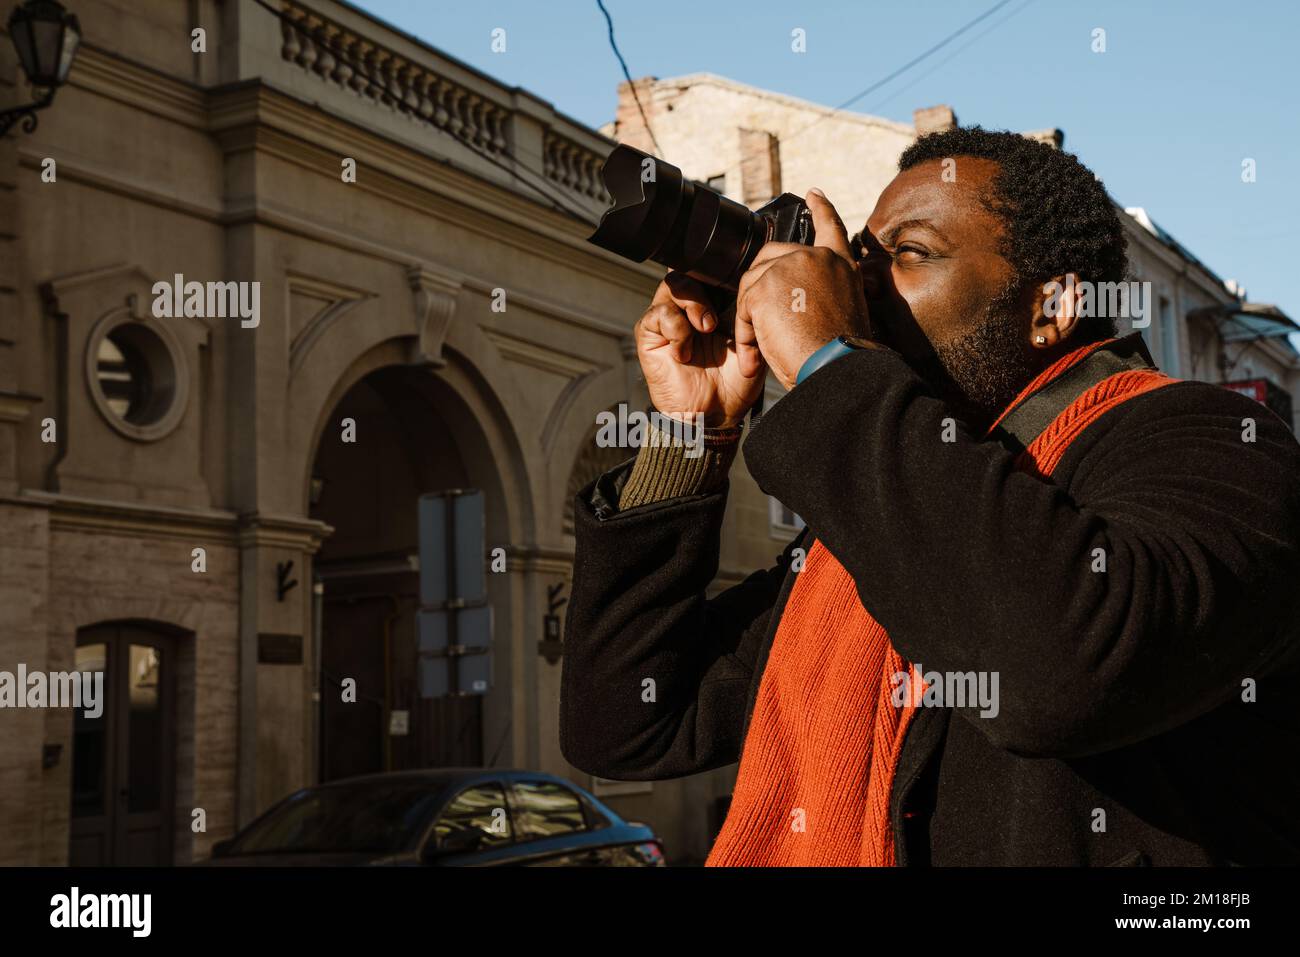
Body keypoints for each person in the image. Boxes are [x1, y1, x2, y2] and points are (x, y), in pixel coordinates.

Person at [559, 127, 1300, 866]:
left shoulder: (1215, 443)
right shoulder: (883, 517)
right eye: (858, 258)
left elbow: (1055, 673)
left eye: (909, 254)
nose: (858, 286)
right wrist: (696, 435)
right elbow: (629, 721)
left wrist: (832, 366)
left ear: (1053, 306)